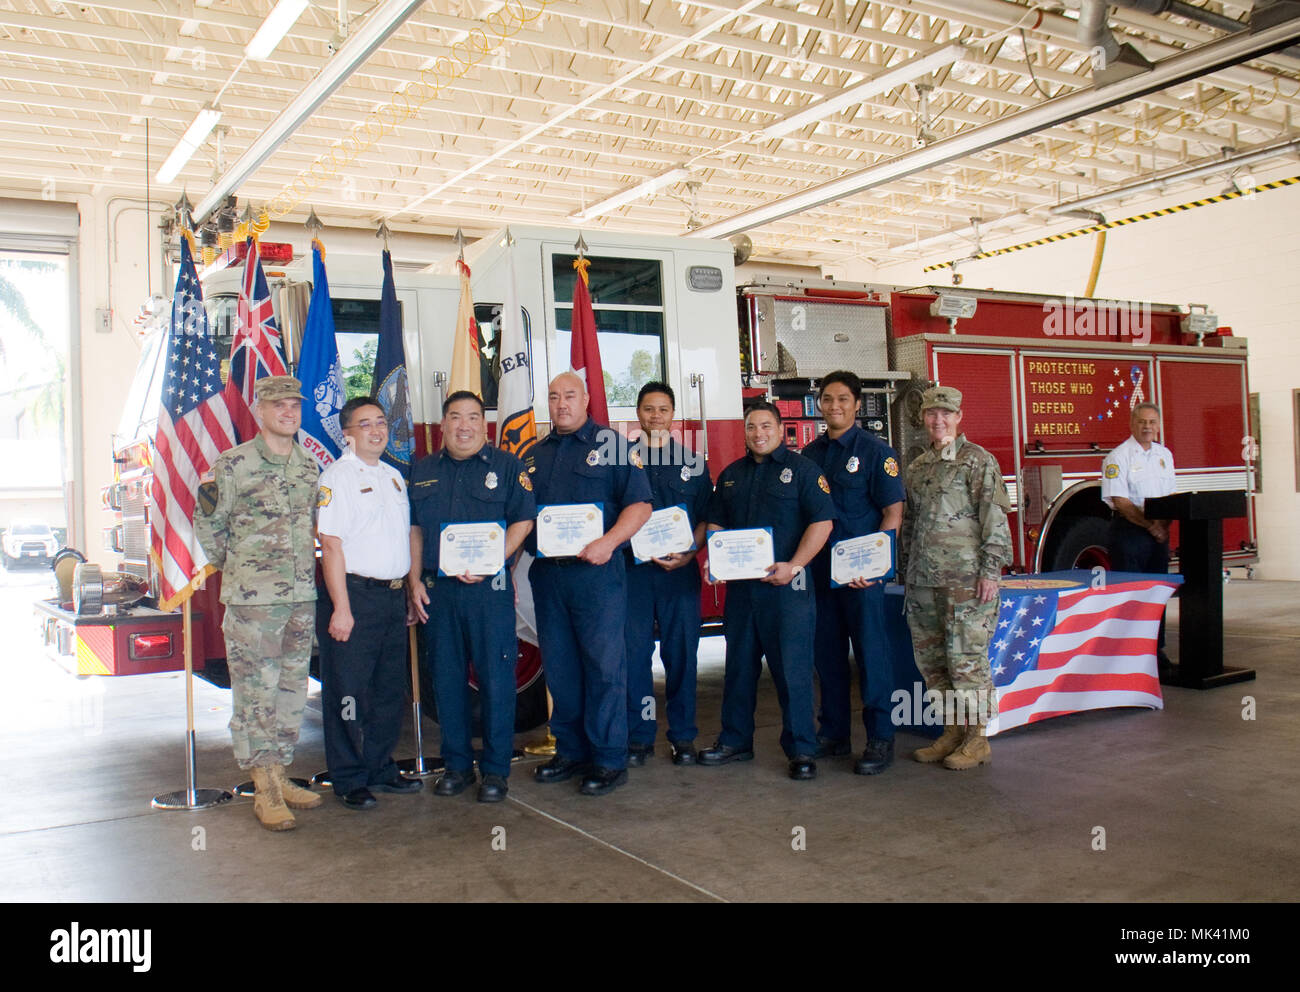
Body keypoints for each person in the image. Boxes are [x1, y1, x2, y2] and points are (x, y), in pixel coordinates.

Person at [195, 375, 322, 831]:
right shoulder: (233, 465)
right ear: (260, 411)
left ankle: (280, 772)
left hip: (300, 597)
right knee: (255, 694)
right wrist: (243, 570)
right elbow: (209, 525)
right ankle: (263, 787)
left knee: (292, 689)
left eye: (295, 405)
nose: (289, 412)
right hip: (253, 603)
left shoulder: (309, 468)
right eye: (279, 406)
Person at [523, 372, 652, 796]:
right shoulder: (534, 455)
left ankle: (610, 758)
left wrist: (608, 542)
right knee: (560, 667)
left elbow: (640, 506)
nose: (561, 403)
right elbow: (521, 517)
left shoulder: (613, 447)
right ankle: (572, 750)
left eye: (570, 395)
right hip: (548, 577)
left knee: (603, 666)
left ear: (587, 399)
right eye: (554, 396)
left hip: (597, 576)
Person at [408, 391, 535, 803]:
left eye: (472, 418)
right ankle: (458, 765)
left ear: (485, 425)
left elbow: (524, 520)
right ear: (442, 424)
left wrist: (491, 559)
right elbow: (415, 532)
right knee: (446, 682)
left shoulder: (508, 466)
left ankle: (496, 771)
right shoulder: (422, 471)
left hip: (488, 592)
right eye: (455, 417)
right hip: (437, 592)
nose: (464, 425)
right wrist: (412, 582)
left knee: (497, 681)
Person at [699, 401, 835, 780]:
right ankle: (735, 741)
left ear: (779, 429)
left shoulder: (804, 472)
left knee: (793, 672)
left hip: (788, 591)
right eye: (751, 426)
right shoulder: (730, 476)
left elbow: (822, 523)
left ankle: (801, 750)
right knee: (738, 669)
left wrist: (794, 565)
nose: (758, 433)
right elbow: (716, 523)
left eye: (765, 425)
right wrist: (715, 556)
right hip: (743, 595)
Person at [315, 396, 423, 810]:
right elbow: (331, 544)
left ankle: (380, 766)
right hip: (354, 597)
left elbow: (405, 538)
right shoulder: (336, 478)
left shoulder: (395, 477)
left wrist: (411, 588)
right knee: (347, 693)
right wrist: (341, 608)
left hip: (392, 597)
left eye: (380, 422)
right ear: (347, 434)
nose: (376, 430)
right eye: (365, 424)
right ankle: (347, 776)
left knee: (387, 691)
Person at [900, 386, 1012, 771]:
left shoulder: (977, 461)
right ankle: (952, 730)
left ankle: (977, 738)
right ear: (923, 418)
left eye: (946, 414)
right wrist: (905, 572)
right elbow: (911, 525)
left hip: (966, 583)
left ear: (959, 417)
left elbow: (995, 519)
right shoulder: (917, 467)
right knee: (934, 663)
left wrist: (991, 572)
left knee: (967, 661)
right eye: (932, 413)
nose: (938, 420)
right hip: (924, 583)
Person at [801, 371, 905, 775]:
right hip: (822, 575)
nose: (834, 406)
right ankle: (835, 734)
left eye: (843, 399)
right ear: (820, 404)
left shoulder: (879, 453)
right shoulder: (809, 456)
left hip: (863, 578)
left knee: (871, 655)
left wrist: (876, 568)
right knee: (826, 656)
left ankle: (880, 738)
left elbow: (892, 514)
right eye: (827, 399)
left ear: (857, 404)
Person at [624, 382, 713, 767]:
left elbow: (707, 517)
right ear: (638, 414)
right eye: (648, 409)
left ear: (673, 416)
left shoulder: (693, 463)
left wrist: (690, 551)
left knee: (681, 657)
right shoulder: (622, 460)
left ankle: (683, 738)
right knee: (635, 658)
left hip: (680, 574)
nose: (655, 416)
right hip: (635, 574)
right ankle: (641, 737)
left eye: (662, 409)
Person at [1101, 402, 1176, 665]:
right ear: (1132, 424)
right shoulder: (1118, 457)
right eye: (1142, 422)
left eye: (1152, 422)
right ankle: (1131, 655)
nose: (1147, 427)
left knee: (1158, 593)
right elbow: (1120, 500)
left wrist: (1163, 526)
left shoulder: (1164, 455)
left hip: (1158, 534)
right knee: (1133, 595)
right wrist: (1150, 526)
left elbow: (1170, 498)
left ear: (1158, 425)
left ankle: (1156, 651)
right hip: (1129, 532)